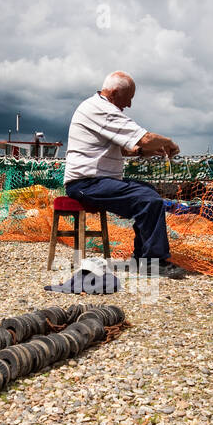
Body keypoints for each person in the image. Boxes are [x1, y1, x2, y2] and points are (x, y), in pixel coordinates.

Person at [63, 71, 188, 279]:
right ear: (114, 92)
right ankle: (153, 262)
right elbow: (145, 138)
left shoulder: (97, 107)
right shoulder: (102, 110)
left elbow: (123, 149)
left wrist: (142, 151)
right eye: (128, 98)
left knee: (148, 192)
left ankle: (142, 257)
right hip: (87, 183)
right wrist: (169, 143)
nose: (129, 105)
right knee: (148, 199)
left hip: (94, 181)